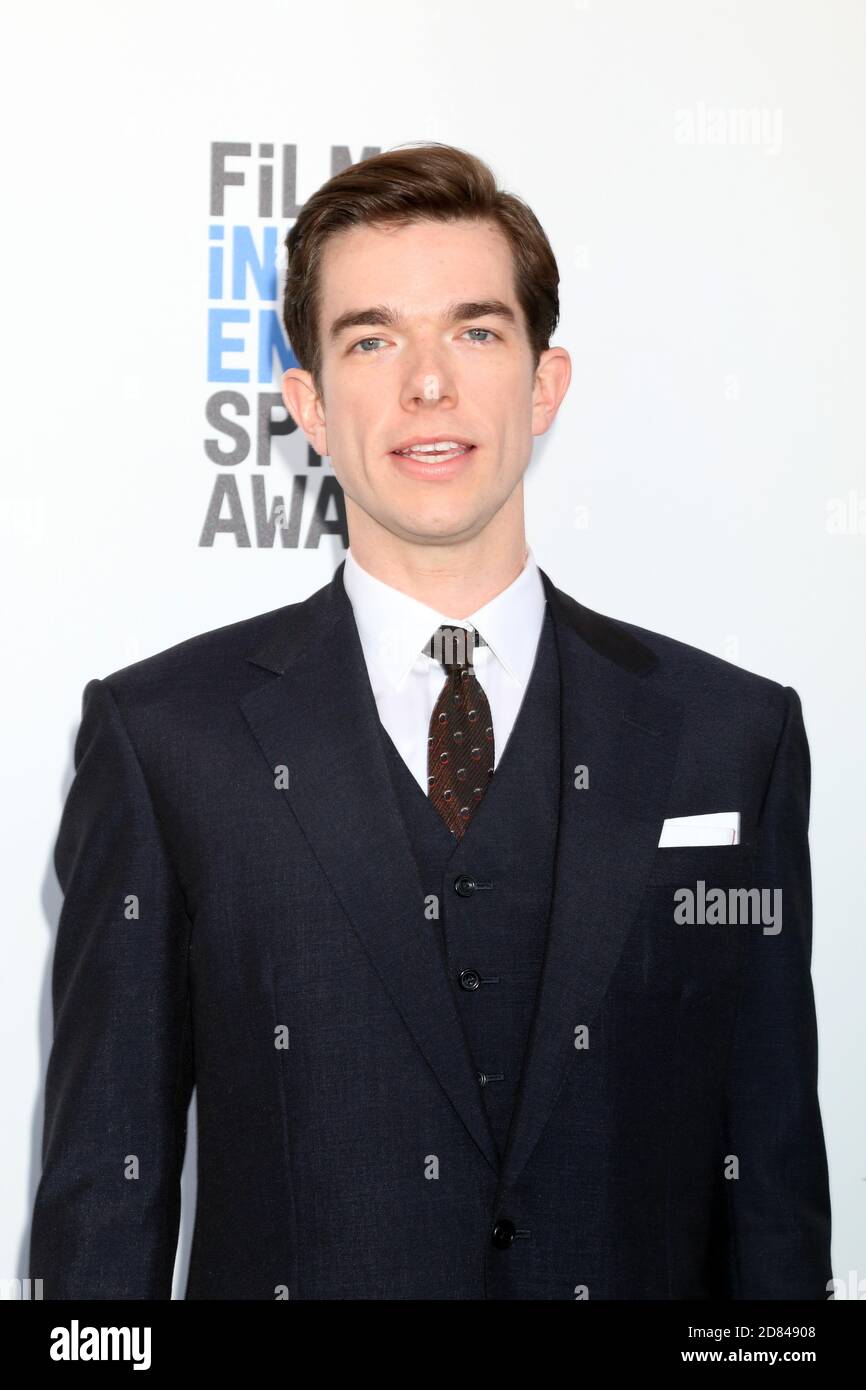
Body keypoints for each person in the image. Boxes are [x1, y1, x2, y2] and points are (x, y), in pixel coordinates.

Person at [30, 142, 832, 1299]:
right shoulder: (165, 740)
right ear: (306, 403)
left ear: (543, 382)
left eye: (473, 331)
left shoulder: (728, 736)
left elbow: (770, 1190)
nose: (426, 386)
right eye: (370, 339)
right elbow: (107, 1200)